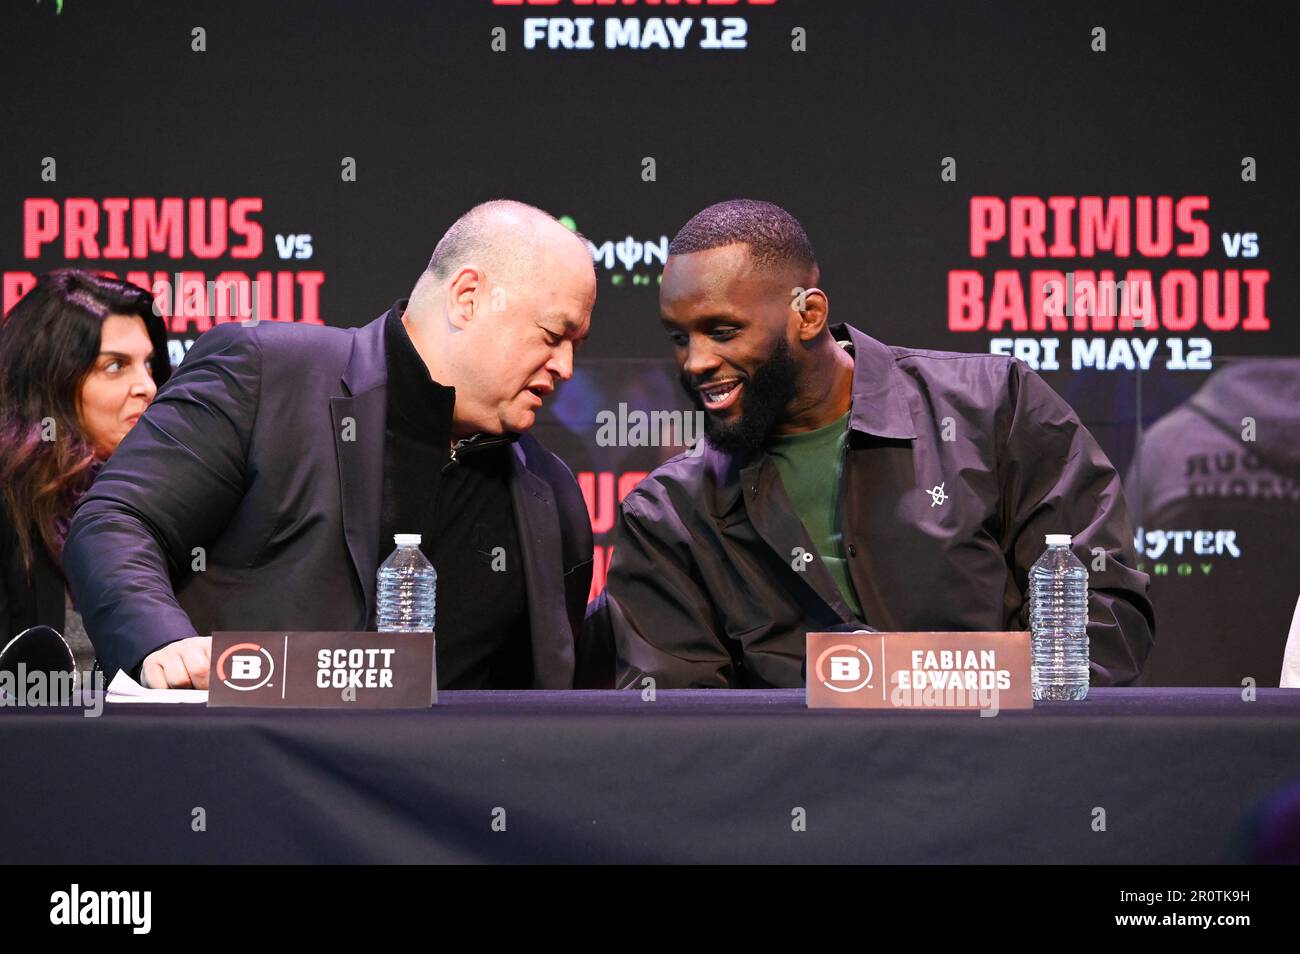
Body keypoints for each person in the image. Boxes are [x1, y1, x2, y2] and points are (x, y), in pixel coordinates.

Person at [593, 199, 1154, 688]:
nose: (696, 362)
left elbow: (1100, 615)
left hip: (1001, 782)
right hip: (803, 800)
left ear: (808, 314)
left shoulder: (994, 407)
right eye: (678, 337)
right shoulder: (671, 512)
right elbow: (679, 718)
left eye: (723, 331)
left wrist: (997, 742)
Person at [65, 200, 601, 690]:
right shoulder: (266, 374)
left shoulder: (551, 496)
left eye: (575, 346)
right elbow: (117, 519)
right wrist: (162, 644)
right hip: (244, 773)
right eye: (553, 335)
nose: (566, 368)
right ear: (467, 297)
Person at [1, 270, 170, 671]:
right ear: (50, 381)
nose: (147, 385)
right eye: (115, 366)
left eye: (148, 365)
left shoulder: (174, 502)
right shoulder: (9, 502)